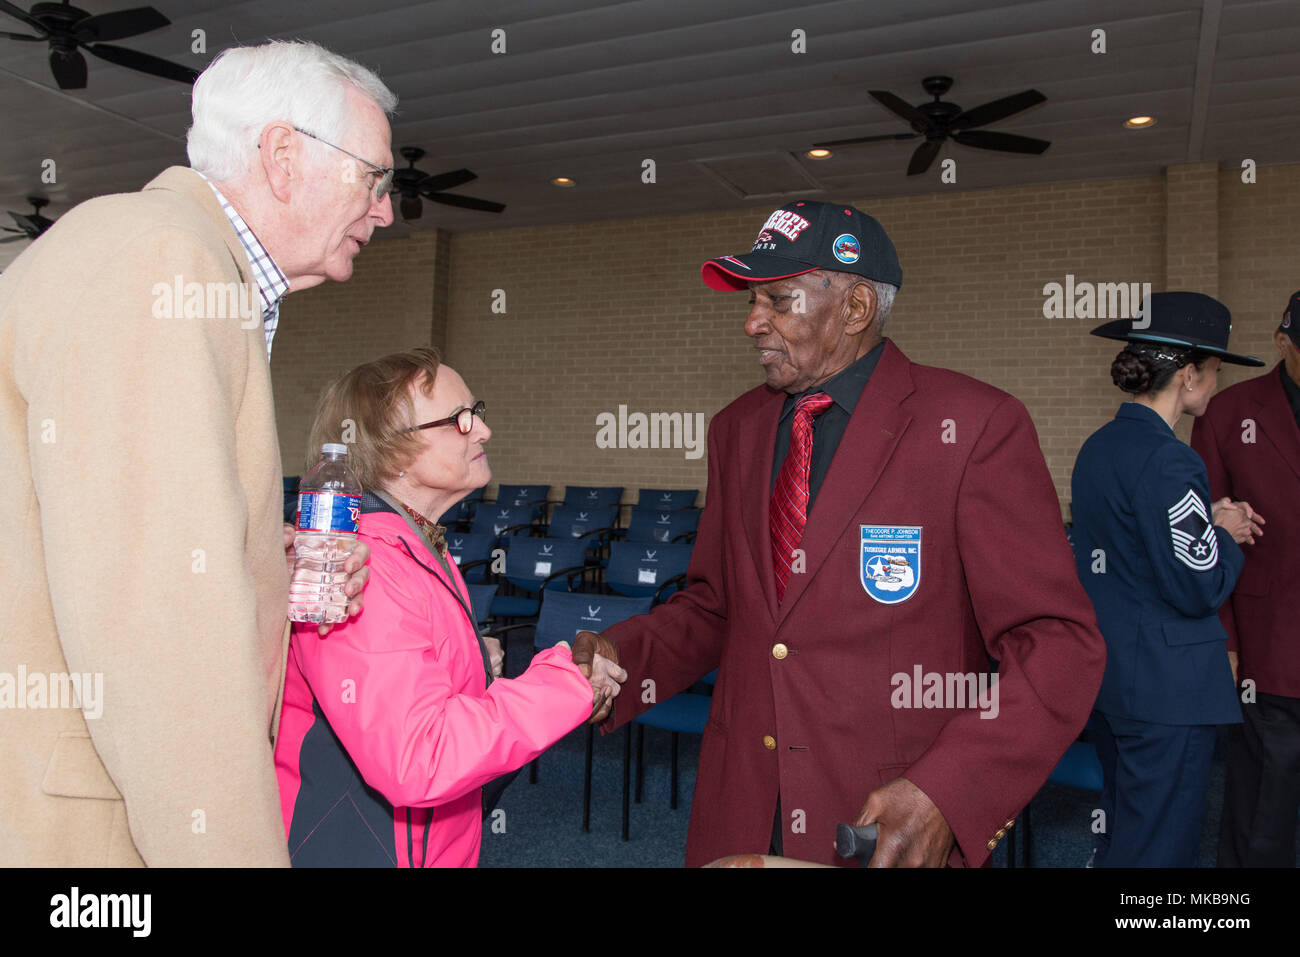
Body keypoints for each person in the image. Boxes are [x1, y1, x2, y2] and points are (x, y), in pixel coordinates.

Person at [583, 200, 1108, 868]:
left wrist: (948, 791)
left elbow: (1059, 644)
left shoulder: (973, 426)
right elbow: (717, 607)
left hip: (885, 821)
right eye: (750, 301)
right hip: (740, 812)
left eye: (778, 299)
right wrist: (616, 659)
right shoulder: (736, 429)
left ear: (856, 308)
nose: (752, 323)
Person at [0, 41, 393, 866]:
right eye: (374, 177)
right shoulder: (165, 262)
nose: (386, 211)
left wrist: (256, 564)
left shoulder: (166, 252)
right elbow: (157, 619)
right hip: (92, 820)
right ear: (283, 157)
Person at [274, 348, 621, 866]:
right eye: (460, 420)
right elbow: (421, 757)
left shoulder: (415, 544)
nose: (481, 430)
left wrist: (466, 659)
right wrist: (565, 684)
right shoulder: (359, 563)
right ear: (392, 451)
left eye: (476, 413)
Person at [1070, 291, 1264, 867]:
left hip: (1113, 679)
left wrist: (1208, 524)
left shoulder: (1099, 446)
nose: (1217, 382)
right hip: (1168, 692)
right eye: (1215, 370)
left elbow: (1136, 550)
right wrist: (1226, 533)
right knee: (1159, 849)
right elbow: (1197, 586)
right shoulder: (1172, 459)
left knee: (1123, 833)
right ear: (1187, 373)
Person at [1193, 290, 1300, 867]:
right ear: (1284, 341)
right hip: (1270, 645)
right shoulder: (1231, 414)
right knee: (1264, 813)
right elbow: (1202, 541)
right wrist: (1225, 642)